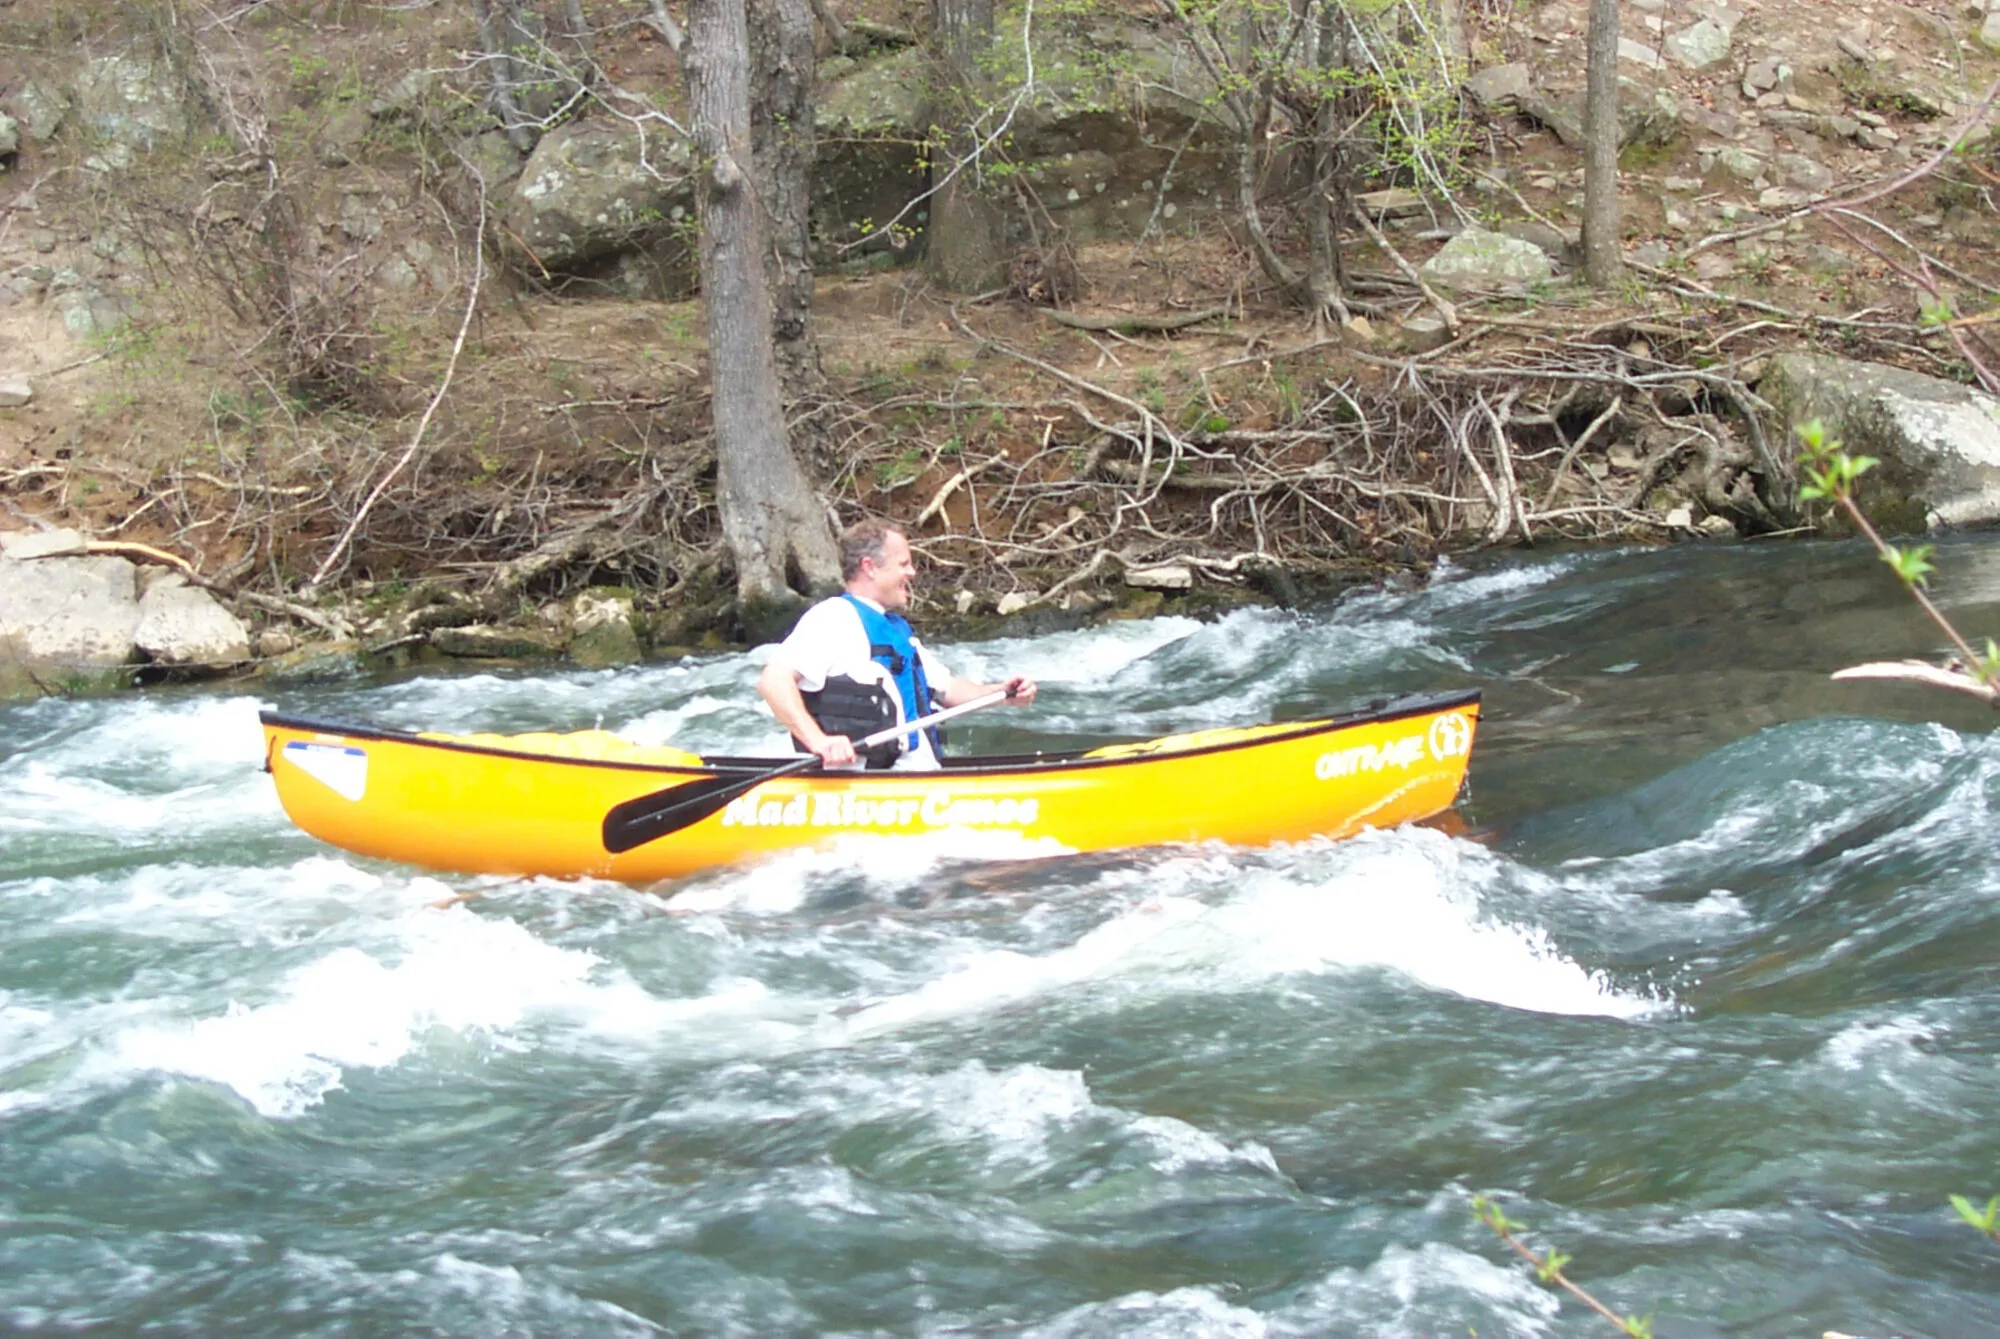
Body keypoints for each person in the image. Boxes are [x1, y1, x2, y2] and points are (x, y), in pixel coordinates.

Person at [757, 519, 1037, 770]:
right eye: (904, 564)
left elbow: (948, 689)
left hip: (919, 776)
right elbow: (774, 681)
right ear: (870, 567)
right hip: (867, 789)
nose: (913, 573)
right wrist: (819, 741)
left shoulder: (895, 630)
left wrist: (1001, 693)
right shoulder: (834, 617)